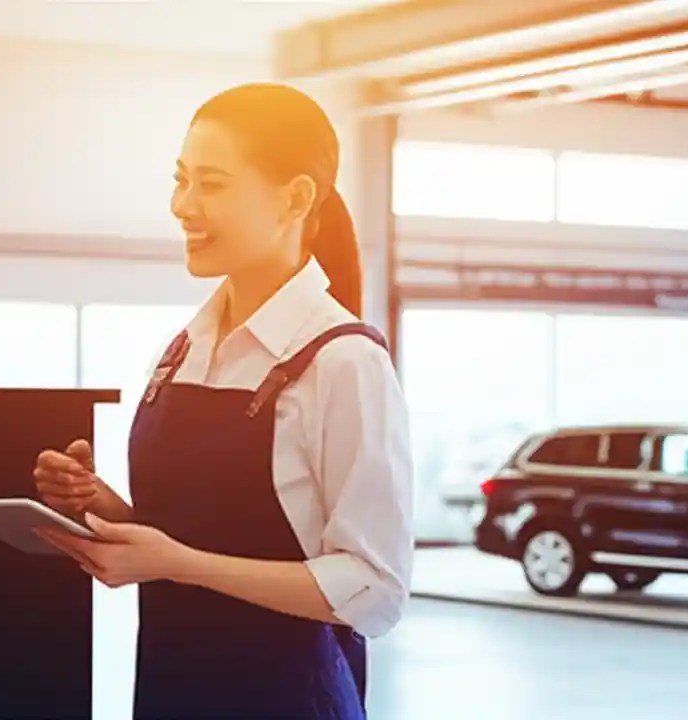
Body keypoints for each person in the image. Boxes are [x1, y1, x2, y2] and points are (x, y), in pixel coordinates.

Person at [34, 83, 413, 719]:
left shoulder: (344, 361)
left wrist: (182, 564)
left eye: (211, 184)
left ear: (295, 198)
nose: (183, 205)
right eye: (181, 181)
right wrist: (98, 502)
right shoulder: (183, 349)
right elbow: (185, 538)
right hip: (171, 690)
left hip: (288, 701)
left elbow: (373, 591)